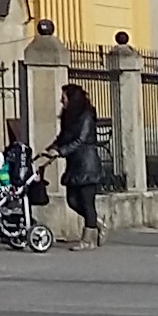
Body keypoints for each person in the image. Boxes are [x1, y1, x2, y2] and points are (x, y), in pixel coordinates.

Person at [48, 82, 105, 249]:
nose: (61, 101)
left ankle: (88, 240)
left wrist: (61, 152)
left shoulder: (86, 116)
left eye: (64, 97)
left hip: (87, 165)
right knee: (72, 201)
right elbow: (63, 136)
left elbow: (81, 140)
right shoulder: (68, 116)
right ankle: (96, 223)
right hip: (74, 165)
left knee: (87, 202)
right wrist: (53, 147)